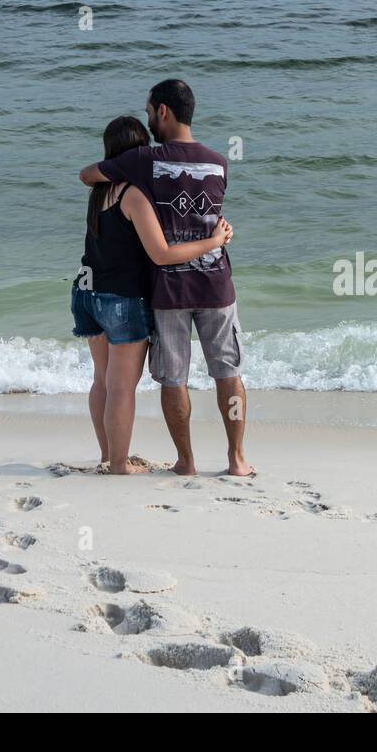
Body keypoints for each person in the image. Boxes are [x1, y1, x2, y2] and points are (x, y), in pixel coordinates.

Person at [79, 80, 254, 477]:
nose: (147, 118)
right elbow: (208, 215)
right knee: (228, 372)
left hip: (169, 290)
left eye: (148, 110)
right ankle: (237, 459)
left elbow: (88, 175)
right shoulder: (218, 162)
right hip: (216, 284)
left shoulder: (143, 160)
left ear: (162, 112)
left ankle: (186, 462)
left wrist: (111, 170)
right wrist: (216, 238)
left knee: (174, 378)